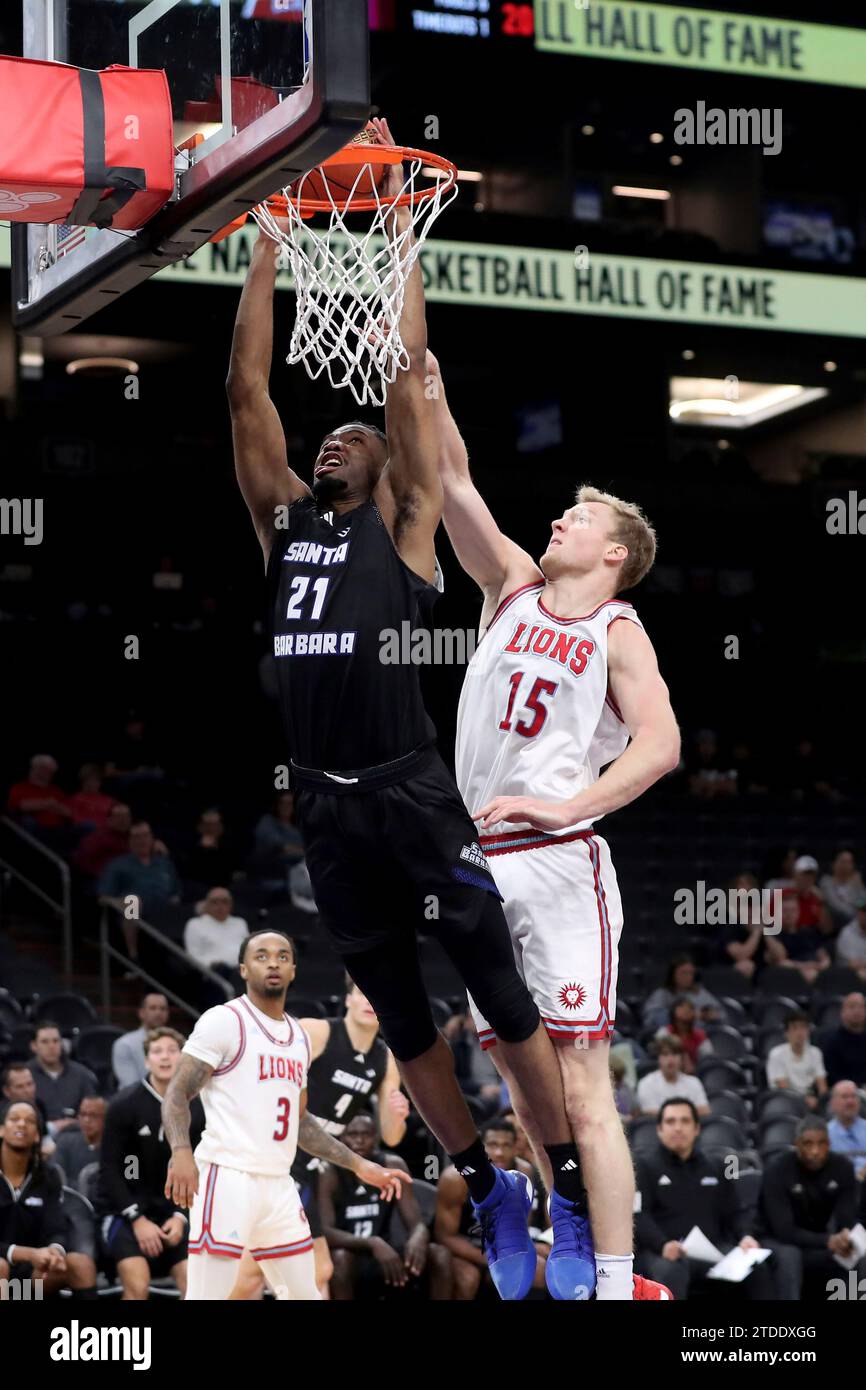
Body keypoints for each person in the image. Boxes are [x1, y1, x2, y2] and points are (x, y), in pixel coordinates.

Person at [225, 115, 588, 1302]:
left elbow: (404, 383)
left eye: (347, 439)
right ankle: (481, 1179)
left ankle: (570, 1187)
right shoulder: (285, 530)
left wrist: (395, 252)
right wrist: (269, 242)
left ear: (384, 470)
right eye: (320, 439)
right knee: (408, 1022)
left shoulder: (407, 526)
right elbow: (243, 397)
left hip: (410, 793)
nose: (328, 445)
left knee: (501, 998)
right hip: (327, 815)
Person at [430, 348, 681, 1304]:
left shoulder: (616, 629)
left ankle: (617, 1285)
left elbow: (658, 747)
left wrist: (566, 803)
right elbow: (453, 477)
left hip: (558, 860)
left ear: (614, 552)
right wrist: (429, 389)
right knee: (530, 1098)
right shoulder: (511, 586)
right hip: (479, 860)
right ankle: (564, 1240)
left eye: (579, 517)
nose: (558, 520)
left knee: (581, 1085)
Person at [161, 930, 408, 1301]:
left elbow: (300, 1121)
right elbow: (178, 1091)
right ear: (244, 968)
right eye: (261, 956)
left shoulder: (297, 1036)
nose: (272, 962)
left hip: (279, 1184)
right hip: (228, 1175)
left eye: (282, 956)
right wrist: (180, 1151)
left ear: (293, 970)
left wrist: (359, 1165)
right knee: (209, 1293)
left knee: (305, 1291)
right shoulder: (225, 1021)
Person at [231, 962, 409, 1300]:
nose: (370, 1001)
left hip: (309, 1163)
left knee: (314, 1269)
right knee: (260, 1270)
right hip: (274, 1155)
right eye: (362, 993)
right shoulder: (318, 1032)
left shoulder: (385, 1060)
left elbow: (391, 1136)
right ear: (348, 999)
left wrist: (397, 1114)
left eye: (378, 995)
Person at [98, 1028, 203, 1299]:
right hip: (127, 1213)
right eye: (157, 1052)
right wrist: (137, 1218)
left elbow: (201, 1169)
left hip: (176, 1212)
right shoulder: (124, 1105)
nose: (165, 1057)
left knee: (196, 1287)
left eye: (172, 1050)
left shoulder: (199, 1108)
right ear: (146, 1061)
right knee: (138, 1285)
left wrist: (181, 1217)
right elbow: (111, 1171)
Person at [634, 1098, 774, 1301]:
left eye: (685, 1121)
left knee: (756, 1266)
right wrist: (662, 1244)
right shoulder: (644, 1166)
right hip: (665, 1253)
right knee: (671, 1272)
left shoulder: (715, 1166)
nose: (678, 1128)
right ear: (659, 1129)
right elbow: (640, 1215)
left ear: (697, 1128)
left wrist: (745, 1236)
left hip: (713, 1251)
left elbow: (734, 1211)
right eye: (671, 1122)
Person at [322, 1112, 451, 1300]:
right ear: (341, 1138)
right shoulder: (329, 1172)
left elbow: (416, 1223)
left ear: (376, 1137)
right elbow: (325, 1232)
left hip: (387, 1255)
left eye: (365, 1134)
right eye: (353, 1134)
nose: (359, 1140)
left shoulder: (391, 1165)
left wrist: (418, 1237)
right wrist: (372, 1243)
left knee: (440, 1254)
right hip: (353, 1256)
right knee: (341, 1257)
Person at [435, 1119, 549, 1301]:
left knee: (540, 1271)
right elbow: (445, 1236)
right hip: (466, 1248)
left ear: (516, 1147)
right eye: (493, 1144)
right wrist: (491, 1259)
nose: (499, 1152)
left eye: (506, 1145)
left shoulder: (523, 1172)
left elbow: (519, 1227)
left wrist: (526, 1249)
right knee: (467, 1278)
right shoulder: (455, 1178)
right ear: (482, 1146)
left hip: (504, 1244)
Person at [758, 1117, 866, 1299]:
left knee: (858, 1254)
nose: (815, 1151)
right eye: (808, 1144)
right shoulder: (777, 1170)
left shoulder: (843, 1167)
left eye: (821, 1144)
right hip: (776, 1240)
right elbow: (784, 1230)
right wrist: (828, 1241)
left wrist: (845, 1239)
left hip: (819, 1239)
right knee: (790, 1257)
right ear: (796, 1144)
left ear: (829, 1144)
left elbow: (846, 1218)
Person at [0, 1100, 97, 1299]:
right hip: (3, 1266)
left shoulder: (47, 1176)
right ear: (1, 1130)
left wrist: (54, 1251)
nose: (21, 1124)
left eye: (29, 1121)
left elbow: (57, 1227)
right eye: (14, 1119)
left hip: (29, 1282)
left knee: (81, 1263)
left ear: (37, 1135)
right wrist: (28, 1254)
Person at [98, 822, 181, 963]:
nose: (142, 840)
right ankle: (133, 957)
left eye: (145, 835)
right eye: (137, 836)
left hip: (164, 911)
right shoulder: (118, 864)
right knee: (133, 902)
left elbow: (176, 893)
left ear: (152, 838)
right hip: (135, 912)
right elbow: (103, 897)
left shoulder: (164, 863)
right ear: (129, 841)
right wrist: (120, 902)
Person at [28, 1021, 98, 1130]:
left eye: (56, 1041)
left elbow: (94, 1110)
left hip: (77, 1134)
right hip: (37, 1134)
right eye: (44, 1042)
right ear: (34, 1046)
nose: (51, 1046)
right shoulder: (25, 1075)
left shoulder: (81, 1074)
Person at [764, 890, 831, 985]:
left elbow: (823, 956)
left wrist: (823, 964)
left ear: (799, 912)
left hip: (816, 970)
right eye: (785, 911)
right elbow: (781, 960)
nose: (789, 914)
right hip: (790, 976)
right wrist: (806, 966)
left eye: (793, 910)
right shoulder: (774, 934)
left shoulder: (808, 932)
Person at [183, 887, 249, 982]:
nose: (220, 906)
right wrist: (212, 965)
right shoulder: (195, 924)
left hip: (241, 972)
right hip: (213, 974)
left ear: (231, 905)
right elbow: (192, 956)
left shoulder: (240, 922)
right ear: (206, 904)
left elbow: (247, 950)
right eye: (214, 902)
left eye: (224, 901)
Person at [766, 1010, 828, 1109]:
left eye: (803, 1027)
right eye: (795, 1028)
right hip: (783, 1101)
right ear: (786, 1033)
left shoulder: (816, 1053)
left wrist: (823, 1103)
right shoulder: (776, 1054)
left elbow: (822, 1085)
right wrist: (805, 1100)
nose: (800, 1032)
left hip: (810, 1100)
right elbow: (783, 1086)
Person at [642, 956, 722, 1031]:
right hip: (669, 1038)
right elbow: (650, 1019)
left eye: (691, 973)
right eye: (683, 973)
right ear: (673, 974)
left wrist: (712, 1015)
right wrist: (678, 1015)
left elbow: (721, 1015)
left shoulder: (700, 994)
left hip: (699, 1037)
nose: (688, 977)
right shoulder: (661, 994)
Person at [636, 1037, 710, 1118]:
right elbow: (650, 1114)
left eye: (674, 1054)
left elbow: (705, 1111)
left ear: (681, 1058)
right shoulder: (646, 1083)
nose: (670, 1059)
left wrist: (664, 1113)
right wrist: (689, 1113)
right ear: (658, 1058)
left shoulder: (694, 1082)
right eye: (665, 1054)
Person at [112, 994, 170, 1088]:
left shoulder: (177, 1045)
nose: (158, 1012)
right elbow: (131, 1086)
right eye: (153, 1008)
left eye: (163, 1009)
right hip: (133, 1100)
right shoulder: (124, 1044)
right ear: (141, 1013)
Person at [5, 753, 71, 833]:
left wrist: (51, 806)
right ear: (33, 768)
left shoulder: (57, 791)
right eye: (42, 768)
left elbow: (68, 812)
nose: (45, 773)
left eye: (49, 770)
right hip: (33, 831)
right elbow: (19, 806)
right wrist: (47, 804)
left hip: (58, 830)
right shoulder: (20, 787)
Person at [73, 802, 132, 882]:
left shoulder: (134, 836)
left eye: (126, 816)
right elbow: (82, 861)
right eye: (119, 816)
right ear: (109, 819)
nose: (123, 820)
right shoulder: (98, 838)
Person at [54, 1096, 107, 1187]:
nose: (86, 1120)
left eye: (93, 1115)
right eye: (83, 1114)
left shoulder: (115, 1147)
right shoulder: (65, 1142)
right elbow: (58, 1179)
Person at [656, 996, 714, 1074]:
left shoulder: (700, 1035)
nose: (685, 1010)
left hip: (695, 1074)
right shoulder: (664, 1033)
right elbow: (659, 1058)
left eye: (689, 1008)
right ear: (673, 1012)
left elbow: (708, 1059)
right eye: (681, 1007)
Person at [821, 993, 866, 1088]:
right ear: (842, 1012)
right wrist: (860, 1087)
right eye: (852, 1006)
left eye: (861, 1007)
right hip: (846, 1094)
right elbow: (833, 1077)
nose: (857, 1011)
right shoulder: (832, 1042)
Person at [827, 1080, 866, 1178]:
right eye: (844, 1097)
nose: (850, 1101)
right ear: (833, 1103)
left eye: (853, 1096)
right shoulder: (825, 1133)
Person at [819, 851, 865, 932]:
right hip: (834, 929)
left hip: (855, 929)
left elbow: (863, 904)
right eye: (843, 861)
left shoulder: (855, 884)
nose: (846, 865)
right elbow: (836, 906)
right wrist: (857, 913)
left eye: (849, 862)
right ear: (834, 864)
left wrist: (859, 888)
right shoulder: (826, 882)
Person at [68, 763, 116, 830]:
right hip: (86, 833)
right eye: (89, 780)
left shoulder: (109, 800)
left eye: (96, 780)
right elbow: (76, 820)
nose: (92, 783)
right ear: (83, 781)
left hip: (105, 833)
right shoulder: (75, 799)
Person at [835, 895, 866, 979]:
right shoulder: (847, 933)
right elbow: (853, 964)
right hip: (849, 976)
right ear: (858, 912)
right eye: (863, 911)